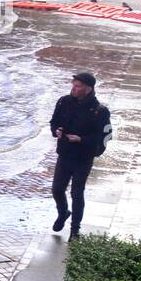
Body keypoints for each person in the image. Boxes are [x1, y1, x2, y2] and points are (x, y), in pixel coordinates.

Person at [49, 72, 112, 240]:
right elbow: (54, 121)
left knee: (77, 193)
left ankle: (74, 230)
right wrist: (57, 130)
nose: (73, 88)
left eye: (78, 86)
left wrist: (81, 139)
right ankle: (63, 213)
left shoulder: (100, 111)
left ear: (88, 89)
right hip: (64, 154)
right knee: (57, 190)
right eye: (73, 85)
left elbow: (104, 137)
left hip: (84, 158)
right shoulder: (63, 101)